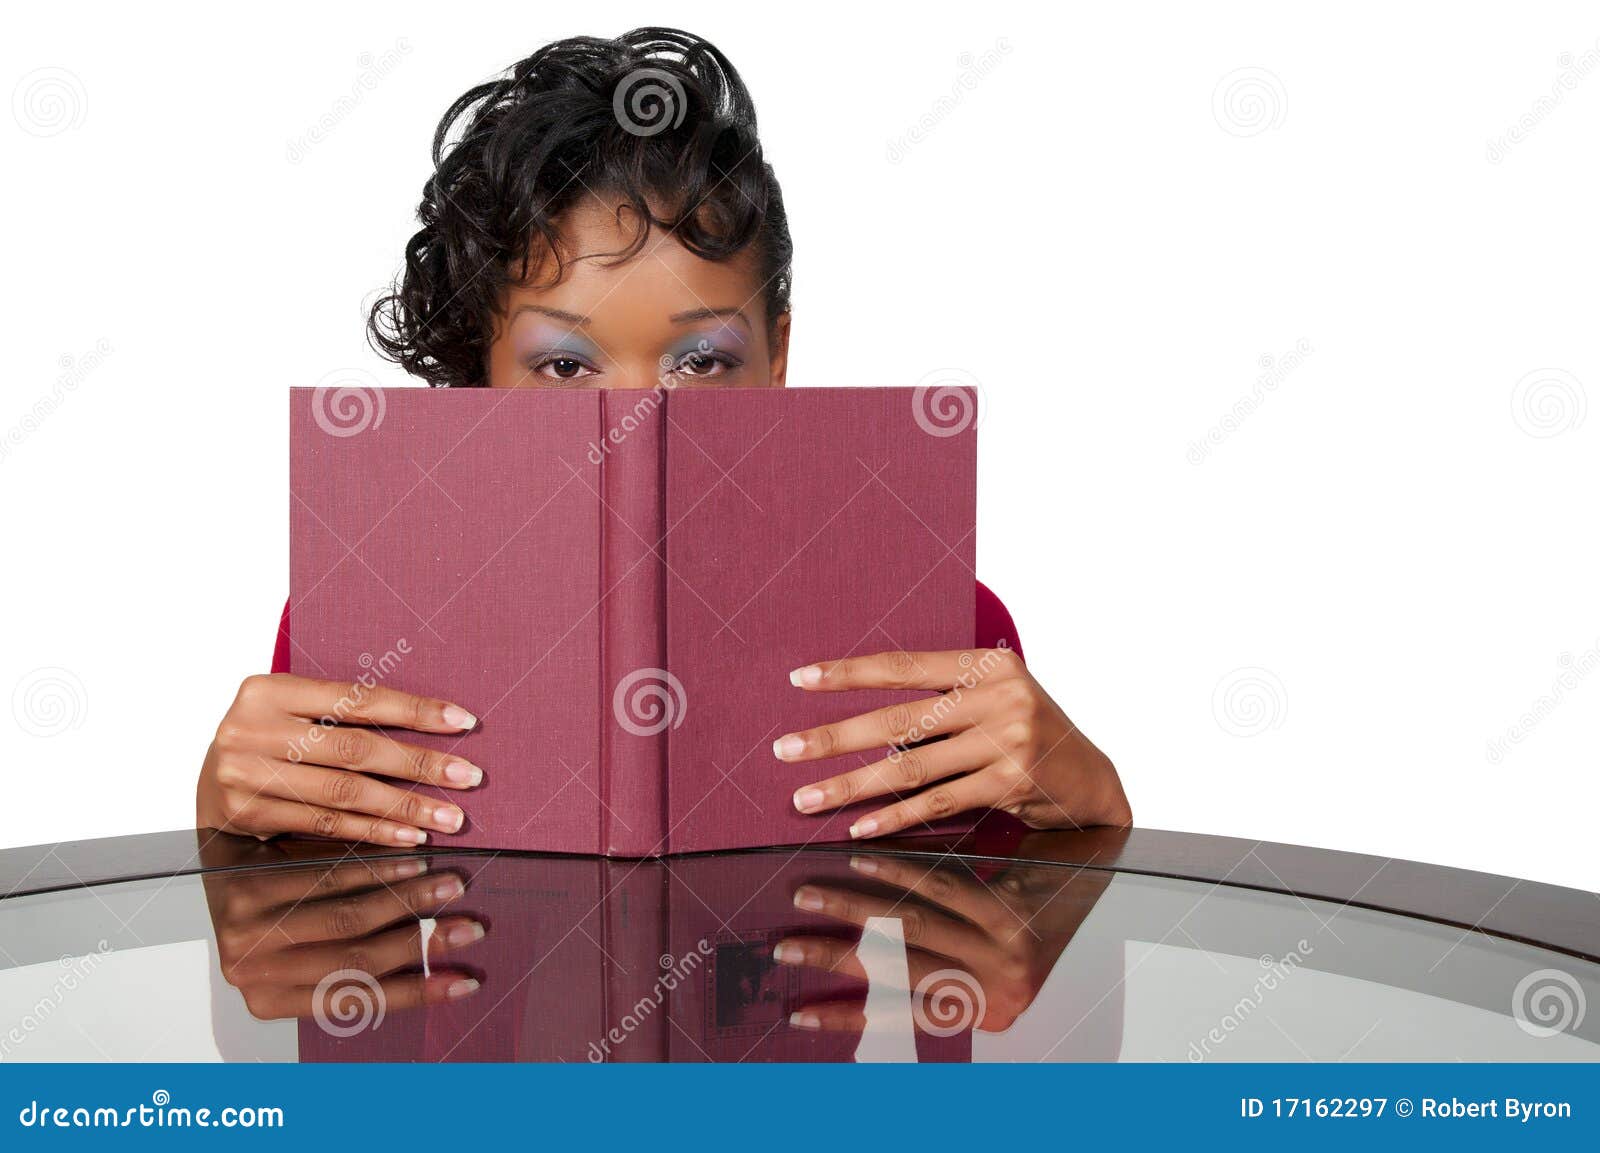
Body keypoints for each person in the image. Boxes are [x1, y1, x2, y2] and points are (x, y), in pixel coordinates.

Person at [196, 27, 1132, 848]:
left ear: (779, 355)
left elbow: (1014, 1033)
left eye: (703, 360)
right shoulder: (357, 625)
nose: (644, 421)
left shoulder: (949, 629)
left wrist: (1094, 802)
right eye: (566, 365)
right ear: (482, 375)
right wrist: (222, 815)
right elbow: (278, 1026)